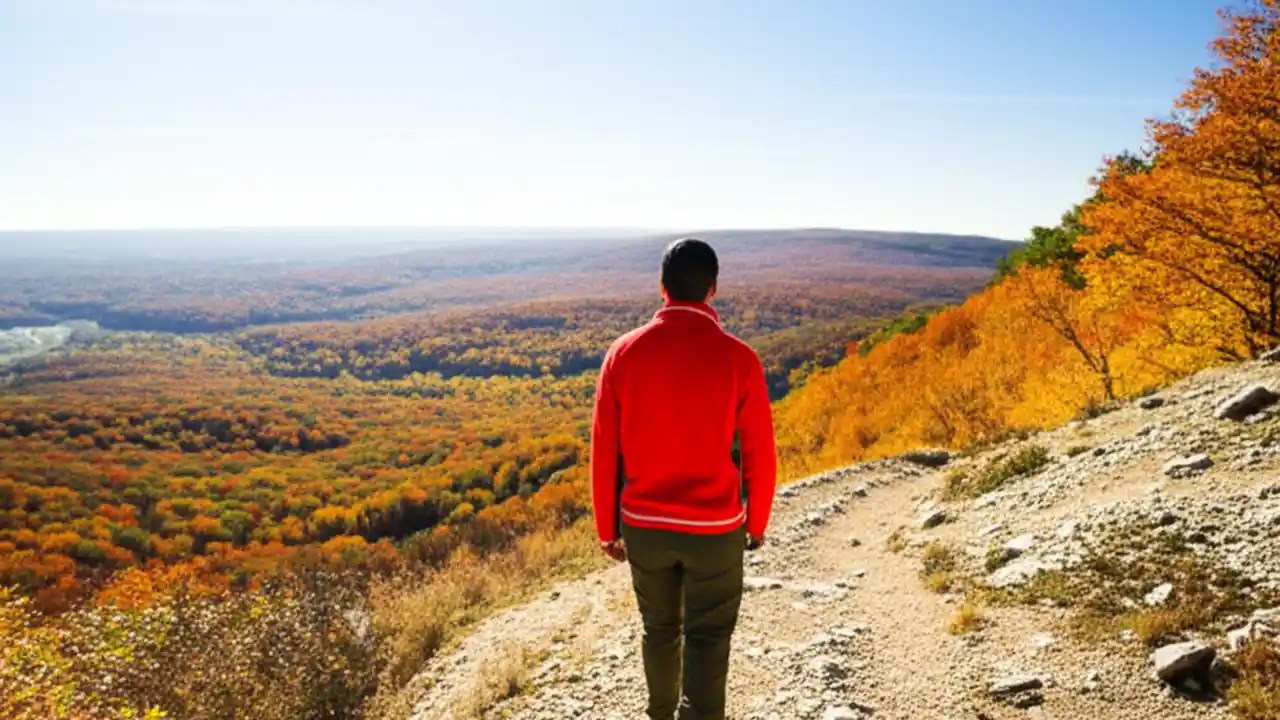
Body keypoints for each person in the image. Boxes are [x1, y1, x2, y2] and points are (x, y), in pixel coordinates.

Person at [590, 237, 778, 720]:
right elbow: (759, 454)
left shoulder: (623, 354)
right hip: (715, 530)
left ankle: (660, 715)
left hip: (645, 524)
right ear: (713, 289)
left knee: (659, 630)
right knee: (709, 638)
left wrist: (607, 529)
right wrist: (756, 524)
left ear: (662, 286)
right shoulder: (740, 359)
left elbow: (605, 450)